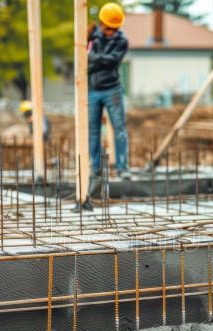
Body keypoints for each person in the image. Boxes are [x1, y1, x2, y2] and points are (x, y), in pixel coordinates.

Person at [75, 2, 129, 213]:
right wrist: (92, 55)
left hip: (112, 89)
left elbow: (111, 61)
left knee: (119, 128)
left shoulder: (121, 40)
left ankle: (123, 167)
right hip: (92, 89)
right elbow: (82, 58)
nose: (111, 31)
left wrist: (93, 58)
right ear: (102, 24)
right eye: (108, 27)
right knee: (93, 131)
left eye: (114, 28)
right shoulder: (92, 34)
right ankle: (95, 168)